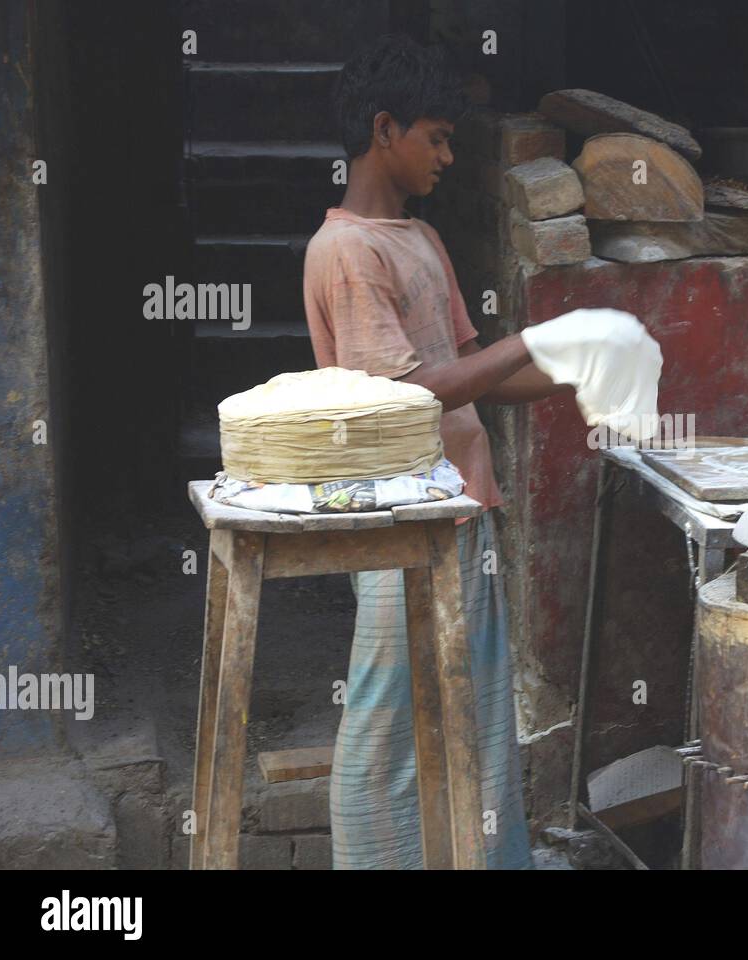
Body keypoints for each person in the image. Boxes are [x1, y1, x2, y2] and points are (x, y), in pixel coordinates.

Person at [303, 35, 572, 869]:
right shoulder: (348, 251)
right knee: (386, 733)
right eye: (438, 136)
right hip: (395, 517)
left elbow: (470, 377)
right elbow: (411, 393)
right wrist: (533, 335)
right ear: (385, 130)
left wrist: (576, 382)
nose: (450, 155)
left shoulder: (417, 237)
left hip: (458, 507)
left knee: (472, 725)